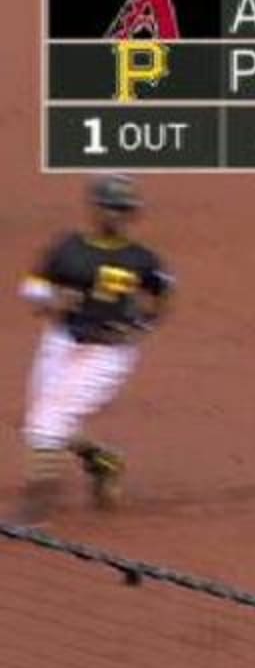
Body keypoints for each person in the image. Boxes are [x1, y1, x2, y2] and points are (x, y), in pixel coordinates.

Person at [14, 173, 170, 523]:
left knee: (48, 420)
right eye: (111, 206)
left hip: (106, 353)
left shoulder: (141, 259)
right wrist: (51, 300)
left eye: (124, 208)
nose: (117, 214)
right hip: (60, 341)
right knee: (48, 418)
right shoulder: (68, 248)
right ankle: (102, 461)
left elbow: (162, 294)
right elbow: (33, 286)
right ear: (95, 208)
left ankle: (35, 513)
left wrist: (142, 326)